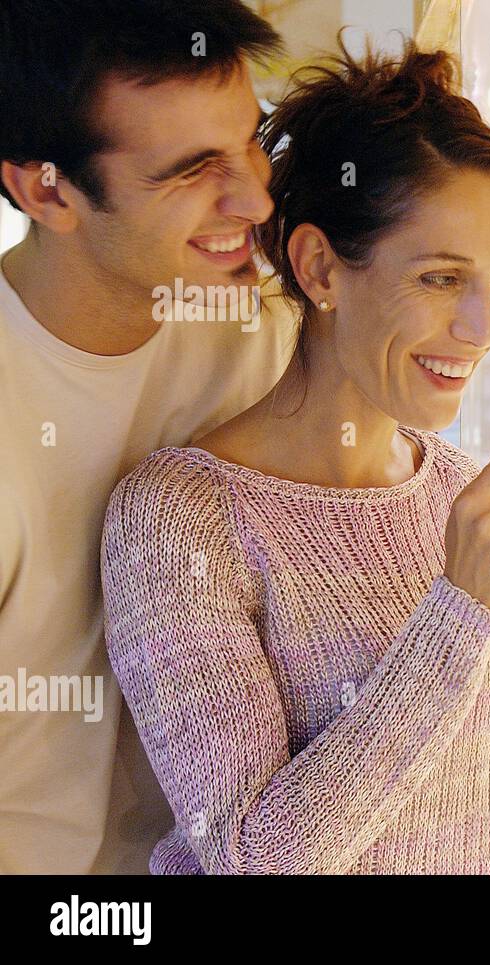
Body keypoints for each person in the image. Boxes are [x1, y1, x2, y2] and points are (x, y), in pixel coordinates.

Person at [99, 39, 490, 874]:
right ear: (319, 267)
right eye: (442, 278)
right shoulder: (183, 518)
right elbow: (247, 860)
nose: (483, 325)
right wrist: (459, 614)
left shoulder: (451, 490)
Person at [0, 0, 295, 873]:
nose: (253, 194)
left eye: (252, 137)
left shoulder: (269, 328)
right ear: (46, 189)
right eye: (192, 168)